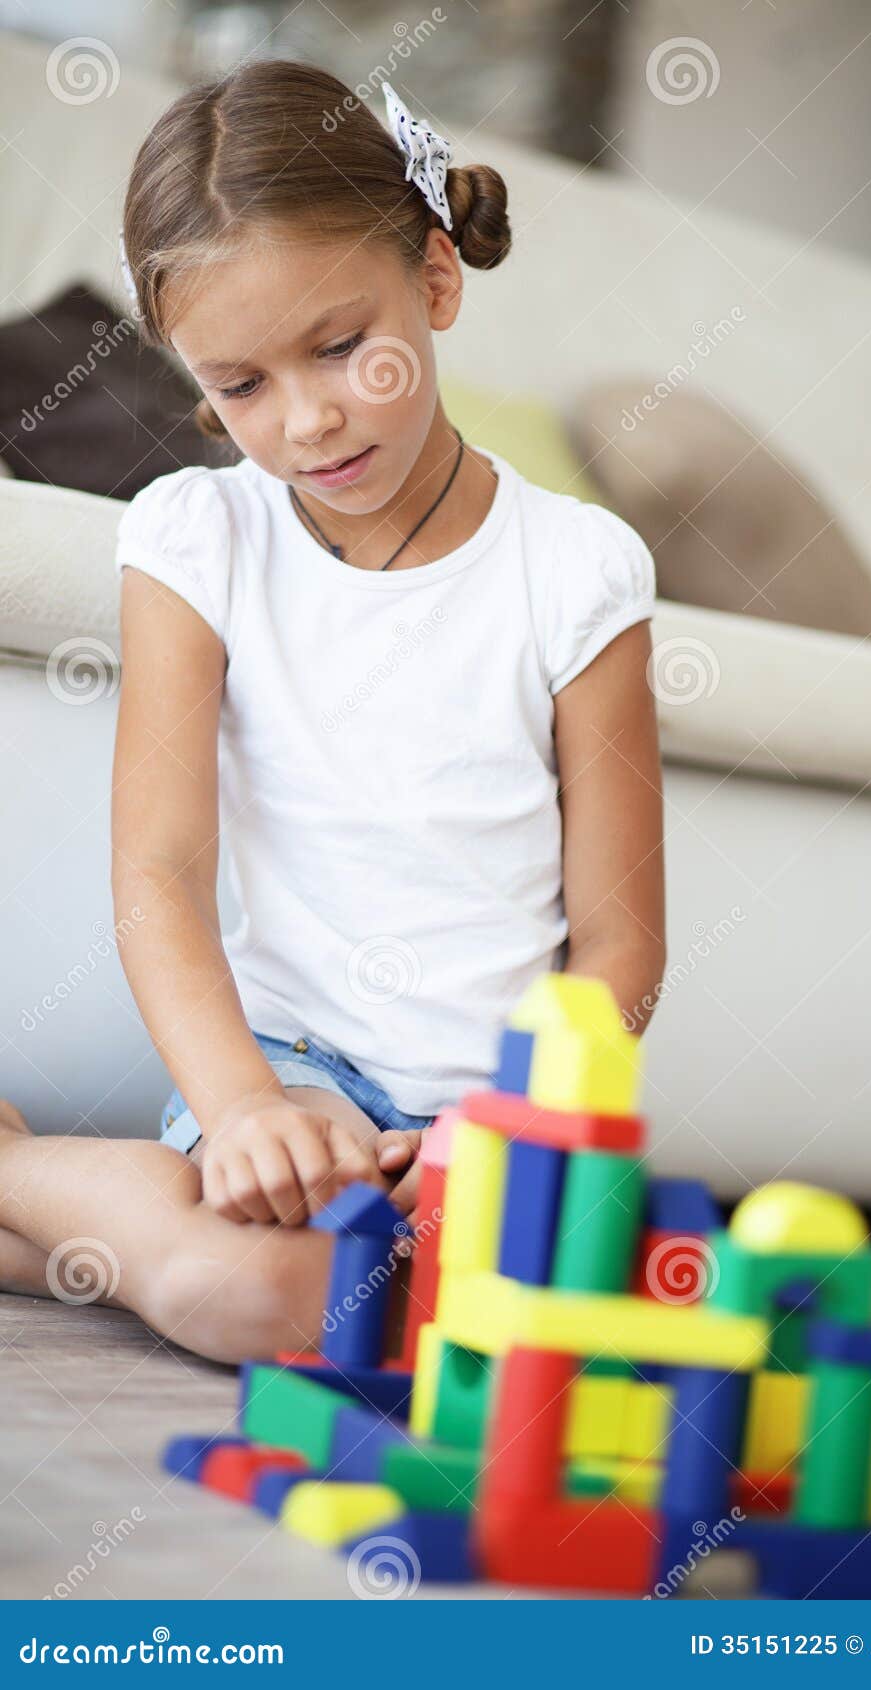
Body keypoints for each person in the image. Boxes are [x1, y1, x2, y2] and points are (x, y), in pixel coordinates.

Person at [0, 62, 665, 1364]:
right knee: (274, 1294)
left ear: (434, 278)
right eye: (240, 385)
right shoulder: (197, 538)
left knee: (483, 1326)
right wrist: (245, 1105)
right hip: (296, 1066)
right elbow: (161, 873)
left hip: (506, 1111)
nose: (306, 419)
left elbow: (622, 943)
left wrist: (517, 1121)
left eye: (341, 347)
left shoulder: (581, 571)